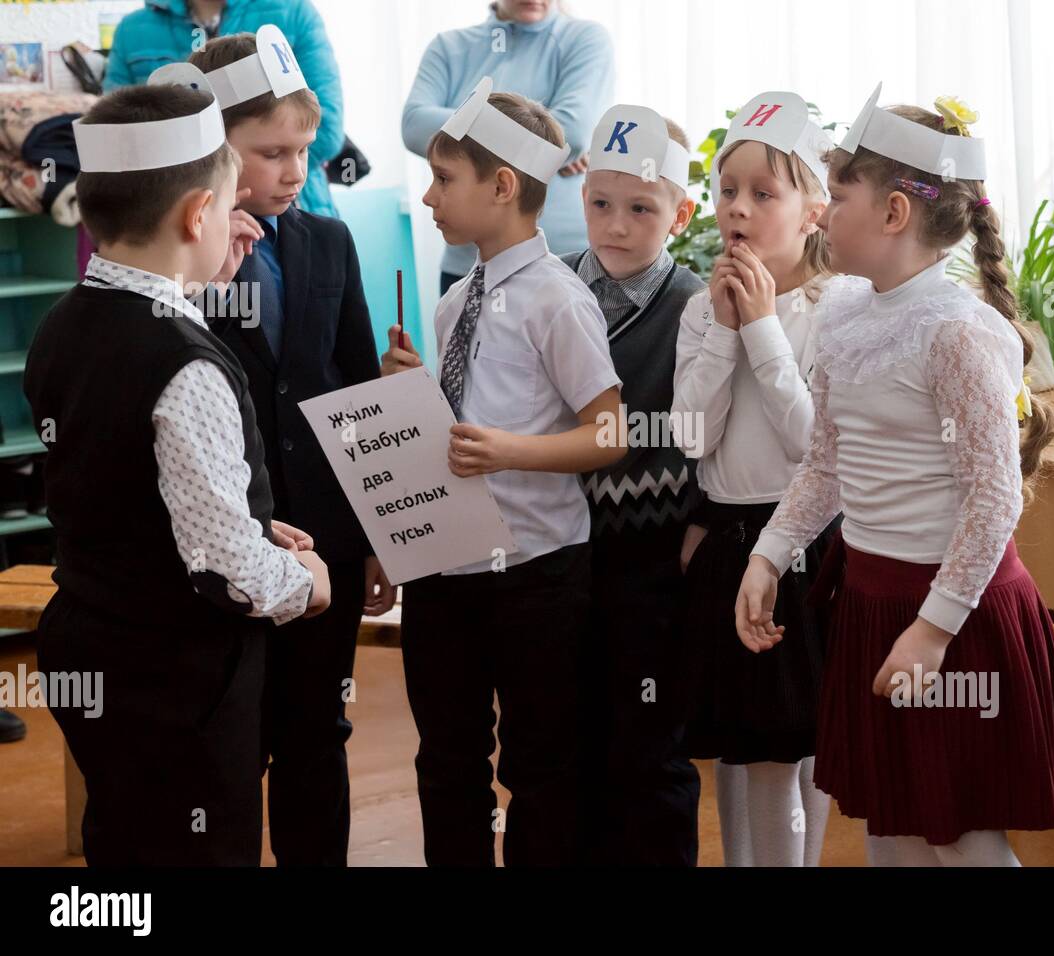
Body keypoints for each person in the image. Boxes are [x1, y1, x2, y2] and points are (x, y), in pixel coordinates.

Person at [737, 86, 1054, 866]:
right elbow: (826, 461)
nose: (821, 213)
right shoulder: (845, 311)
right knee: (890, 828)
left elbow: (994, 499)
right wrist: (768, 552)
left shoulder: (957, 332)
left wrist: (932, 632)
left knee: (960, 841)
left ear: (895, 214)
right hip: (872, 601)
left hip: (952, 619)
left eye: (836, 196)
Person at [27, 83, 329, 865]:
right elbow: (226, 568)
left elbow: (135, 486)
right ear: (201, 215)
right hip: (173, 676)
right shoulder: (186, 366)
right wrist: (306, 581)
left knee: (123, 837)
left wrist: (252, 526)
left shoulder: (63, 323)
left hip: (89, 641)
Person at [381, 79, 624, 865]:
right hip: (445, 572)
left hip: (536, 573)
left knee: (541, 765)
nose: (427, 197)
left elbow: (611, 430)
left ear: (503, 186)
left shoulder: (559, 298)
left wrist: (509, 450)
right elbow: (460, 429)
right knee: (445, 759)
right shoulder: (457, 300)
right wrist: (413, 392)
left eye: (443, 179)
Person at [188, 31, 392, 867]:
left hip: (326, 542)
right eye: (271, 152)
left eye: (304, 150)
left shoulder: (328, 244)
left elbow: (356, 391)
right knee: (230, 739)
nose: (295, 169)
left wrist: (381, 530)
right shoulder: (182, 264)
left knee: (318, 729)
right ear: (211, 149)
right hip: (226, 540)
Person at [673, 92, 838, 867]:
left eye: (763, 194)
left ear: (813, 209)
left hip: (804, 542)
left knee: (795, 750)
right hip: (732, 540)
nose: (737, 209)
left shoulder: (836, 307)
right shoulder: (704, 310)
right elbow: (689, 437)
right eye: (726, 190)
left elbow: (816, 447)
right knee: (740, 754)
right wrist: (725, 334)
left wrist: (764, 330)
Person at [561, 105, 705, 865]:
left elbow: (722, 433)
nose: (616, 226)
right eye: (601, 205)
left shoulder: (697, 309)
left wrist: (702, 521)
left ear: (680, 214)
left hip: (652, 569)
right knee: (567, 747)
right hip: (554, 557)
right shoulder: (547, 290)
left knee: (649, 754)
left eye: (641, 209)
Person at [401, 0, 614, 293]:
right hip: (467, 265)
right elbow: (413, 126)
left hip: (566, 260)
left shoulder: (585, 38)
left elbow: (572, 134)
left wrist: (462, 126)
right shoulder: (449, 47)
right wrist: (541, 145)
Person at [105, 0, 344, 216]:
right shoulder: (132, 31)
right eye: (272, 154)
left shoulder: (293, 12)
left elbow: (327, 127)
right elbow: (119, 139)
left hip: (302, 209)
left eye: (302, 150)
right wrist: (207, 207)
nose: (295, 174)